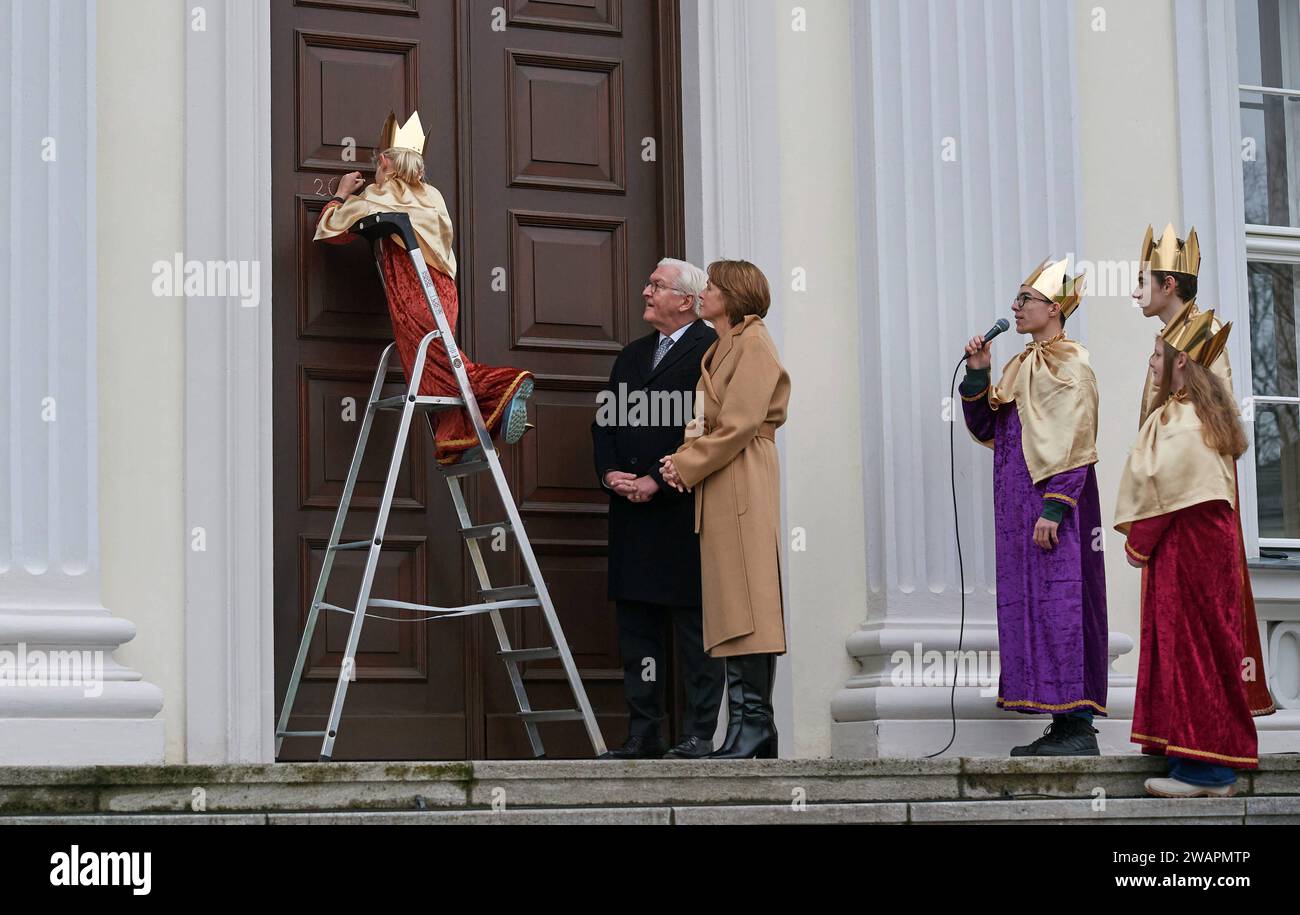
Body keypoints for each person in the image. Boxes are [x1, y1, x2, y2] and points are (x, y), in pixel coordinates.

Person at [314, 111, 533, 466]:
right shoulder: (432, 196)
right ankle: (456, 441)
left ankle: (503, 387)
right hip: (443, 290)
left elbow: (332, 230)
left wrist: (339, 195)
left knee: (437, 366)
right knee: (435, 366)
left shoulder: (379, 195)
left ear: (384, 160)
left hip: (412, 292)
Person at [960, 257, 1108, 756]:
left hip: (1055, 510)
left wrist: (1056, 505)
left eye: (1025, 299)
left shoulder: (1074, 365)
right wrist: (978, 377)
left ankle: (1078, 726)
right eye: (1017, 298)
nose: (1014, 306)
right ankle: (1060, 724)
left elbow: (1078, 439)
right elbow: (989, 429)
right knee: (1034, 609)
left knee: (1065, 606)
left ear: (1055, 307)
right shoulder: (1020, 364)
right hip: (1018, 509)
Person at [1131, 224, 1274, 718]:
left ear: (1168, 284)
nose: (1135, 291)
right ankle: (1172, 726)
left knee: (1197, 613)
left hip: (1193, 488)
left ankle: (1204, 729)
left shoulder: (1201, 336)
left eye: (1143, 280)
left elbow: (1212, 415)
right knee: (1169, 610)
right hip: (1168, 486)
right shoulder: (1166, 339)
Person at [1115, 307, 1257, 797]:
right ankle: (1181, 754)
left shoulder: (1186, 420)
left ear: (1179, 362)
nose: (1151, 363)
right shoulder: (1192, 412)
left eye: (1158, 355)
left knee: (1195, 648)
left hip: (1191, 549)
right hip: (1191, 548)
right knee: (1187, 645)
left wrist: (1139, 541)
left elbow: (1166, 488)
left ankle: (1207, 771)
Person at [591, 259, 722, 759]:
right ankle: (644, 733)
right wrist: (610, 476)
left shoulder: (710, 352)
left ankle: (699, 733)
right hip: (631, 516)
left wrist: (657, 481)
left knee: (694, 631)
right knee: (637, 632)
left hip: (681, 512)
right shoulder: (631, 356)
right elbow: (604, 423)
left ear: (686, 300)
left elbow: (708, 430)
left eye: (656, 285)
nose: (645, 291)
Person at [660, 260, 790, 759]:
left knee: (749, 600)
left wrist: (686, 463)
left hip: (743, 472)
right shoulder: (721, 345)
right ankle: (749, 727)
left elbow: (737, 425)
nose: (705, 292)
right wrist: (684, 460)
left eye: (712, 286)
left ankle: (753, 724)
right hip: (721, 474)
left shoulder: (754, 342)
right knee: (733, 599)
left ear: (733, 295)